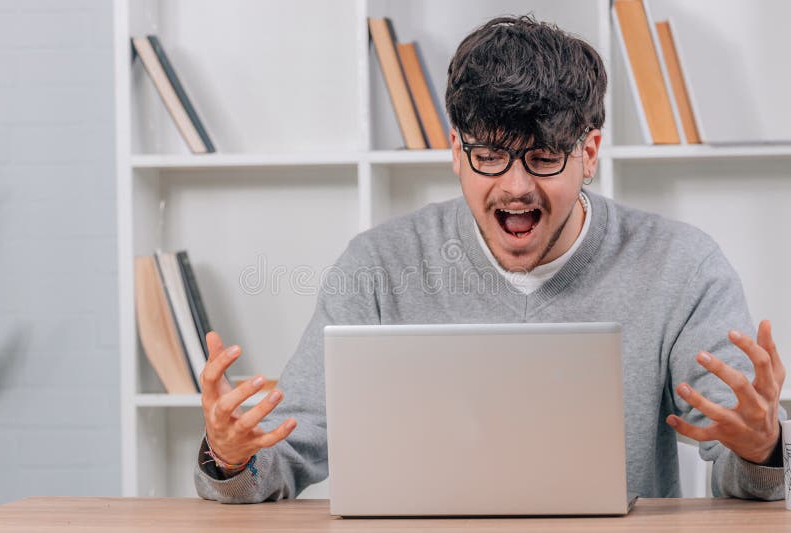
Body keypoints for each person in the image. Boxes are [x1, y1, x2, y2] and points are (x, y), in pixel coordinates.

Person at [194, 16, 786, 503]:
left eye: (545, 156)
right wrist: (229, 458)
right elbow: (280, 462)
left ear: (590, 152)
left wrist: (764, 448)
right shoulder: (377, 265)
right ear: (456, 151)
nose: (516, 187)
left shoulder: (681, 265)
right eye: (491, 156)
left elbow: (747, 471)